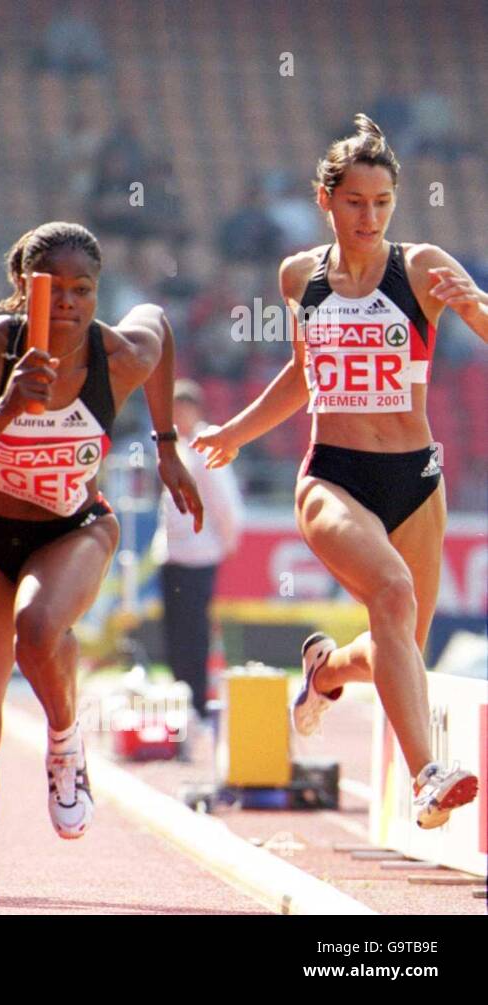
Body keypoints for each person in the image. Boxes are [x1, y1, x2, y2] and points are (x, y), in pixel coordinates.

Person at [193, 114, 487, 828]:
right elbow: (303, 373)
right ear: (327, 200)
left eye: (383, 202)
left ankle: (322, 672)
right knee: (389, 590)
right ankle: (426, 775)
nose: (370, 215)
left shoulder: (418, 268)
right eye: (356, 201)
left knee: (400, 647)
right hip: (333, 476)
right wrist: (237, 431)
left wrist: (473, 305)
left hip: (416, 479)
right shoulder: (300, 275)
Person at [0, 222, 202, 913]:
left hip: (75, 525)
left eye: (85, 290)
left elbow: (158, 325)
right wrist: (8, 407)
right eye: (55, 288)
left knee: (40, 628)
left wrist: (165, 446)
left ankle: (65, 741)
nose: (70, 303)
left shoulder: (118, 354)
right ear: (23, 287)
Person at [148, 379, 243, 722]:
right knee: (174, 631)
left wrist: (226, 542)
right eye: (173, 410)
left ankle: (198, 701)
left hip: (199, 554)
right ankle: (181, 696)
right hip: (172, 554)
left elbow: (224, 501)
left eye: (183, 410)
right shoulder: (174, 446)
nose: (178, 416)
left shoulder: (205, 447)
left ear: (196, 411)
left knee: (194, 632)